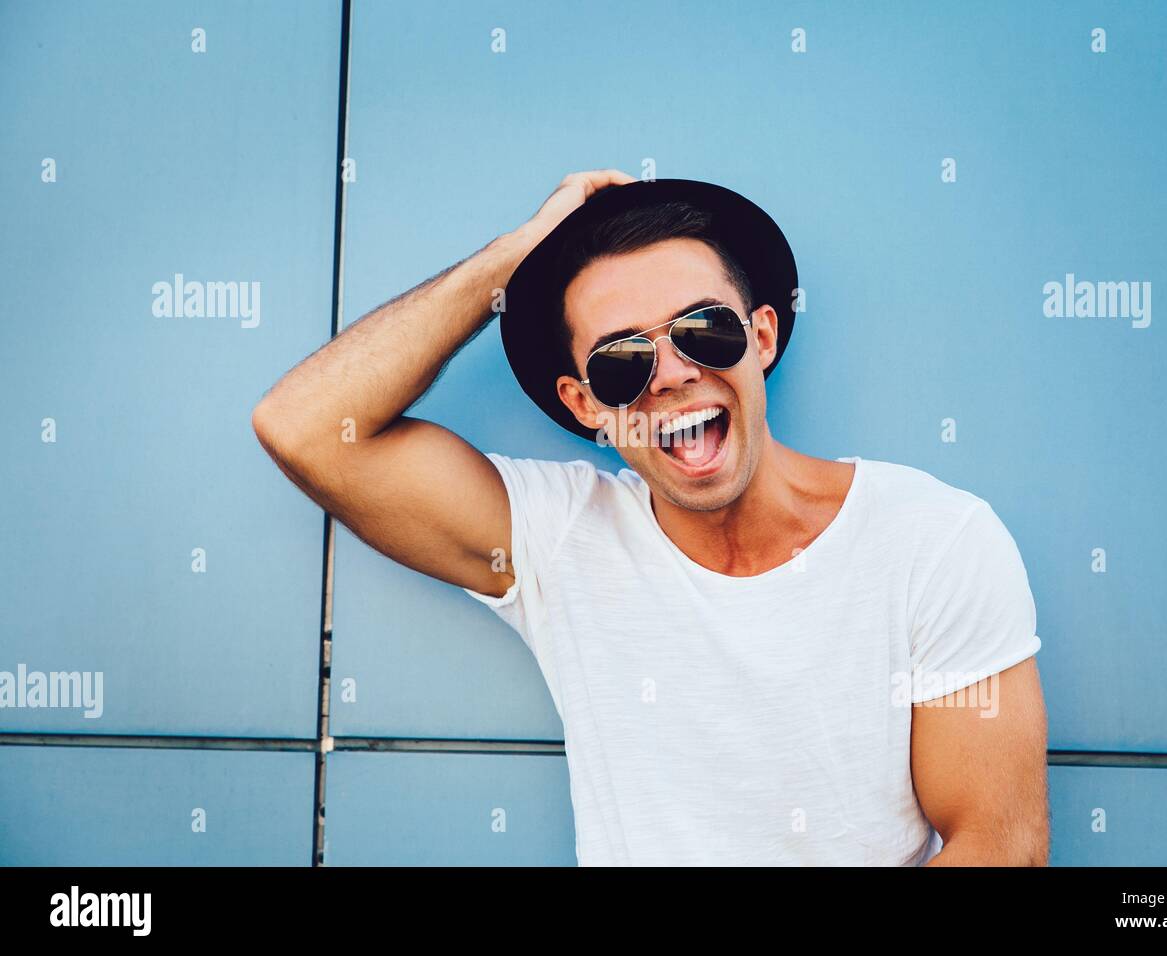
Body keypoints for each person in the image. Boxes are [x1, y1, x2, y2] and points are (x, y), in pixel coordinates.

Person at [252, 169, 1049, 866]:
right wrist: (517, 253)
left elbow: (999, 844)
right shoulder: (560, 538)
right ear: (584, 403)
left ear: (761, 336)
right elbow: (306, 428)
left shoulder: (934, 541)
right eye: (621, 361)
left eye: (704, 330)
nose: (671, 374)